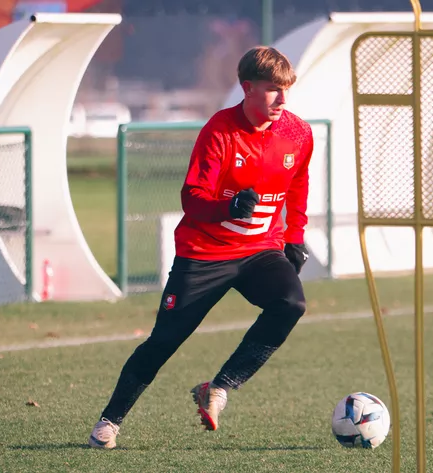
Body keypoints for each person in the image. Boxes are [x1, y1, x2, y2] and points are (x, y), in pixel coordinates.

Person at [88, 45, 314, 449]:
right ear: (246, 88)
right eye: (271, 90)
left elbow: (298, 185)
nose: (282, 100)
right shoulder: (219, 131)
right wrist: (228, 205)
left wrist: (294, 236)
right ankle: (109, 421)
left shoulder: (298, 132)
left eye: (285, 90)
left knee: (291, 304)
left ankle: (220, 387)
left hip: (261, 249)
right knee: (164, 342)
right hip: (205, 253)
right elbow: (191, 197)